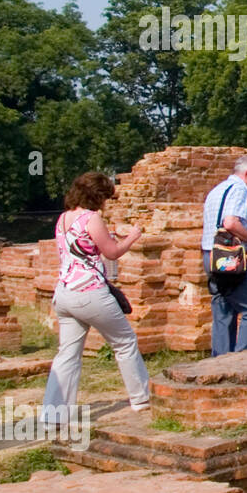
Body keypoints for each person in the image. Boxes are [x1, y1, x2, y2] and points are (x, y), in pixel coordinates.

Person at [42, 172, 151, 419]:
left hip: (65, 293)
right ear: (97, 196)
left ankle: (54, 414)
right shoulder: (91, 219)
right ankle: (141, 398)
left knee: (67, 354)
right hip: (90, 292)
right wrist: (132, 238)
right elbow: (111, 252)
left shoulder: (63, 219)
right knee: (124, 342)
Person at [201, 155, 247, 356]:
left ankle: (220, 362)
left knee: (224, 309)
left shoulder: (217, 189)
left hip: (209, 255)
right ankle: (243, 362)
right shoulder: (240, 189)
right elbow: (230, 222)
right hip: (228, 258)